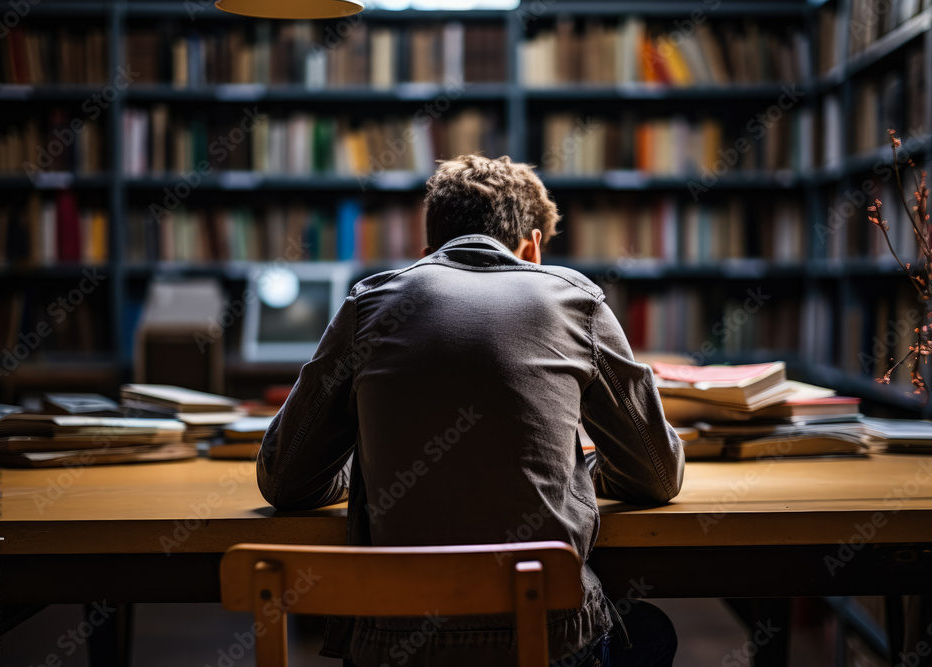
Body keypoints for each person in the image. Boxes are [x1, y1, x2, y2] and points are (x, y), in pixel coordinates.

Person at [257, 154, 686, 666]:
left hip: (393, 647)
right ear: (532, 248)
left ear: (426, 254)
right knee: (651, 632)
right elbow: (658, 475)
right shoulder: (575, 300)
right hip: (545, 641)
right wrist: (578, 472)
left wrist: (373, 471)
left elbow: (285, 481)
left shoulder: (368, 303)